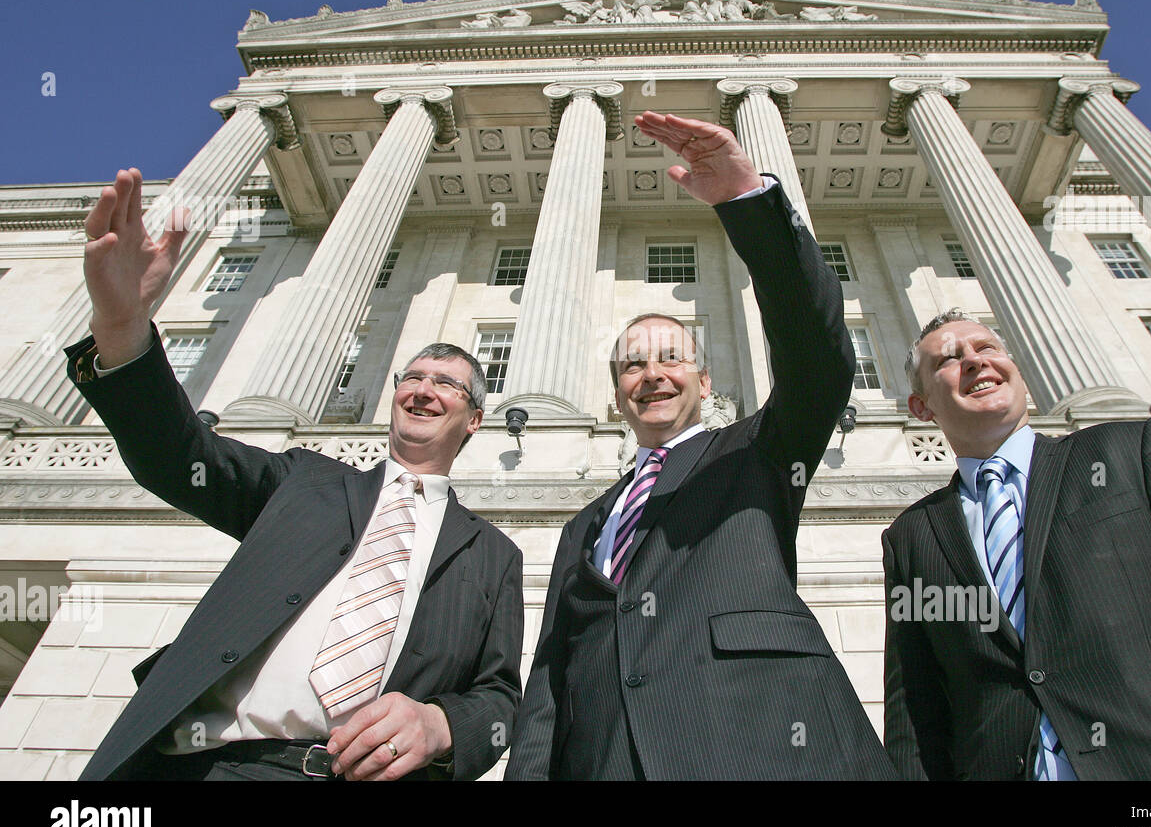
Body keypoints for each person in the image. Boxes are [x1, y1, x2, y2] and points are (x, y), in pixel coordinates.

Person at [69, 168, 523, 781]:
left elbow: (498, 696)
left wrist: (442, 724)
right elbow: (179, 458)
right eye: (410, 379)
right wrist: (123, 331)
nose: (422, 391)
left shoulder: (493, 555)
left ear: (473, 420)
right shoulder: (303, 483)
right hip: (209, 767)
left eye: (445, 384)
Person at [505, 112, 897, 780]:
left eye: (670, 358)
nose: (651, 374)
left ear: (705, 380)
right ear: (616, 391)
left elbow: (815, 353)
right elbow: (548, 685)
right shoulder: (585, 526)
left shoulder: (759, 454)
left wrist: (749, 204)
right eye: (632, 365)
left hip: (759, 749)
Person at [883, 309, 1151, 780]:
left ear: (1019, 375)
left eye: (987, 348)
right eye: (950, 360)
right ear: (921, 407)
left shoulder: (1130, 450)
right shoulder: (912, 535)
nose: (977, 362)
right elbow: (915, 711)